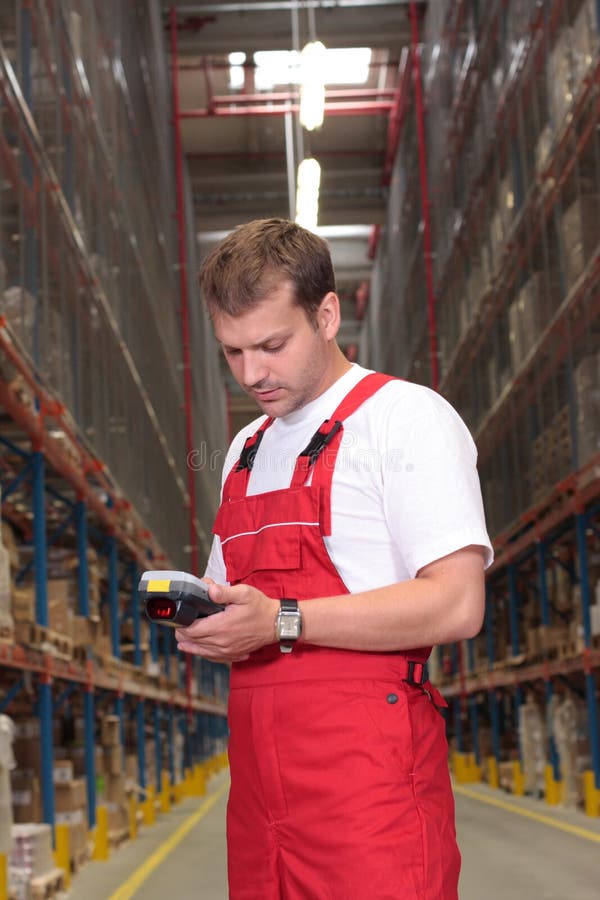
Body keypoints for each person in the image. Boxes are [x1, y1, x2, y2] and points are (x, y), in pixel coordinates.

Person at [176, 218, 493, 900]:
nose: (252, 373)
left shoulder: (405, 420)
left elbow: (459, 603)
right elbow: (239, 600)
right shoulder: (245, 450)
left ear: (326, 314)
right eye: (231, 352)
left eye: (271, 345)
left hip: (369, 793)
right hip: (260, 797)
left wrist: (280, 620)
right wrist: (214, 623)